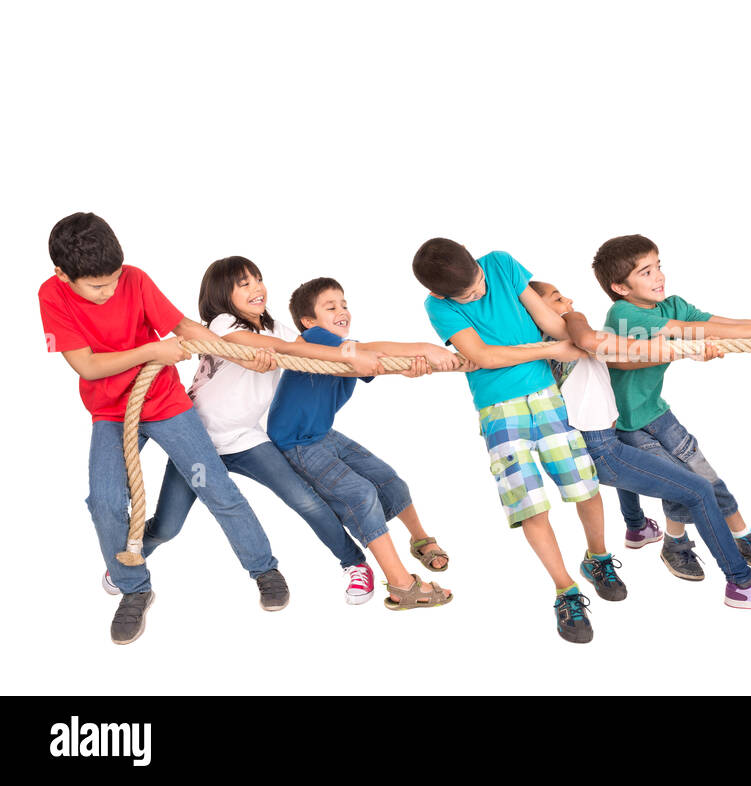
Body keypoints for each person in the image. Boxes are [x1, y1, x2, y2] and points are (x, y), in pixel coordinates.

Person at [39, 213, 289, 644]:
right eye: (98, 286)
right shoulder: (51, 295)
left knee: (215, 487)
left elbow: (186, 329)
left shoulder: (134, 280)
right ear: (63, 275)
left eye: (114, 279)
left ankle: (264, 568)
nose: (111, 290)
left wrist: (243, 356)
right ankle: (135, 589)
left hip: (167, 404)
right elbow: (87, 364)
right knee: (104, 501)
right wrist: (151, 349)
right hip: (111, 414)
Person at [143, 256, 411, 605]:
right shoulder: (224, 322)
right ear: (222, 294)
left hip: (244, 438)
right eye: (244, 283)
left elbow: (309, 351)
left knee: (305, 500)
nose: (257, 288)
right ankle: (132, 556)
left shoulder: (278, 331)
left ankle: (354, 563)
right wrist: (291, 351)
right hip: (195, 440)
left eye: (258, 279)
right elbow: (262, 346)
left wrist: (384, 361)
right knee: (168, 526)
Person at [593, 234, 751, 581]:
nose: (659, 277)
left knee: (708, 476)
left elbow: (726, 325)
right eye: (646, 272)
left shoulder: (671, 305)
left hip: (655, 412)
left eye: (659, 267)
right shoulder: (624, 313)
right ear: (620, 288)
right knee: (684, 483)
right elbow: (691, 331)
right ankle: (675, 544)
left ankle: (746, 539)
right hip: (623, 425)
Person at [530, 279, 751, 610]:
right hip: (601, 450)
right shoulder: (569, 337)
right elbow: (590, 339)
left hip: (609, 439)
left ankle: (638, 528)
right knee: (698, 490)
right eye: (557, 298)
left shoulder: (564, 345)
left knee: (639, 454)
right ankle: (740, 584)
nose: (568, 299)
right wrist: (574, 315)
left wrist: (686, 351)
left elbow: (624, 358)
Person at [413, 238, 608, 643]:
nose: (479, 293)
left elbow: (549, 320)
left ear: (477, 262)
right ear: (441, 295)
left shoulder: (500, 264)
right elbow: (482, 356)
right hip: (498, 410)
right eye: (468, 296)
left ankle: (598, 557)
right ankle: (565, 589)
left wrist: (574, 339)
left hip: (547, 396)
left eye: (478, 282)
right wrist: (547, 348)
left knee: (583, 485)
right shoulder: (438, 306)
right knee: (529, 503)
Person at [268, 276, 459, 610]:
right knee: (361, 494)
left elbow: (374, 358)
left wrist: (408, 367)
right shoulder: (313, 339)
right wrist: (424, 348)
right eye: (331, 306)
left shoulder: (347, 351)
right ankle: (402, 585)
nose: (342, 310)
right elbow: (372, 351)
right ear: (309, 322)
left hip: (322, 433)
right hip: (296, 443)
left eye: (344, 304)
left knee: (388, 479)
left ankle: (420, 539)